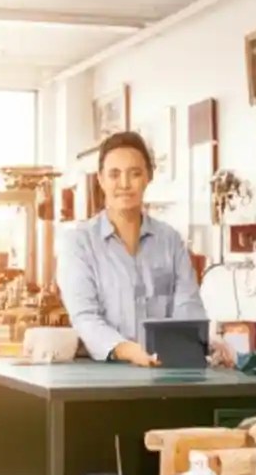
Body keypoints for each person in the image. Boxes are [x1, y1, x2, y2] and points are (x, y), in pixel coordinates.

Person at [58, 131, 232, 367]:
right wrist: (127, 350)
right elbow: (85, 317)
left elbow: (188, 307)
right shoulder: (78, 243)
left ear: (148, 177)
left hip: (166, 373)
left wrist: (200, 345)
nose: (125, 184)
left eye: (135, 173)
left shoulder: (170, 240)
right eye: (114, 174)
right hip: (103, 376)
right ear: (100, 179)